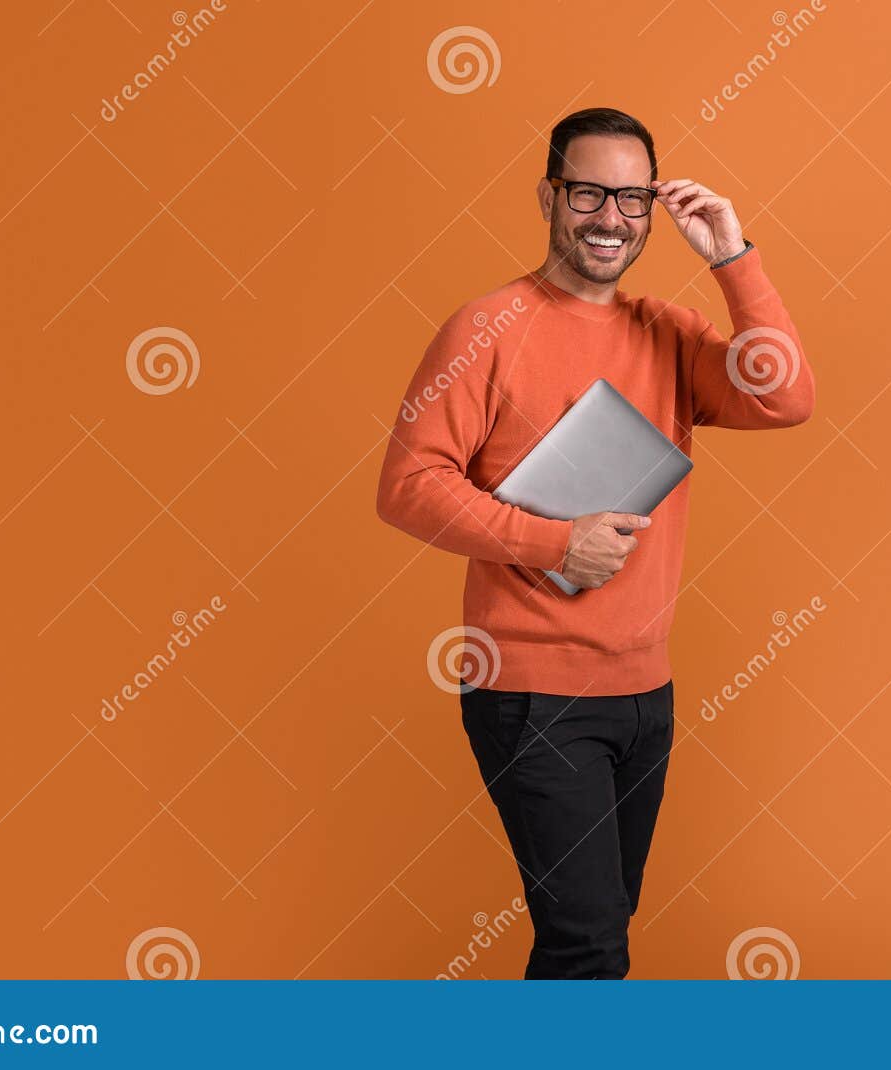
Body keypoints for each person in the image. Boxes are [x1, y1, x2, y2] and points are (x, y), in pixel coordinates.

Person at [376, 107, 814, 979]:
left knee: (595, 934)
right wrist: (552, 543)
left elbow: (784, 398)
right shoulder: (487, 329)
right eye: (587, 193)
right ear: (548, 196)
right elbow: (407, 487)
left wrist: (732, 254)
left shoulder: (669, 331)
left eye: (632, 198)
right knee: (589, 948)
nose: (609, 218)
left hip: (647, 690)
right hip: (533, 693)